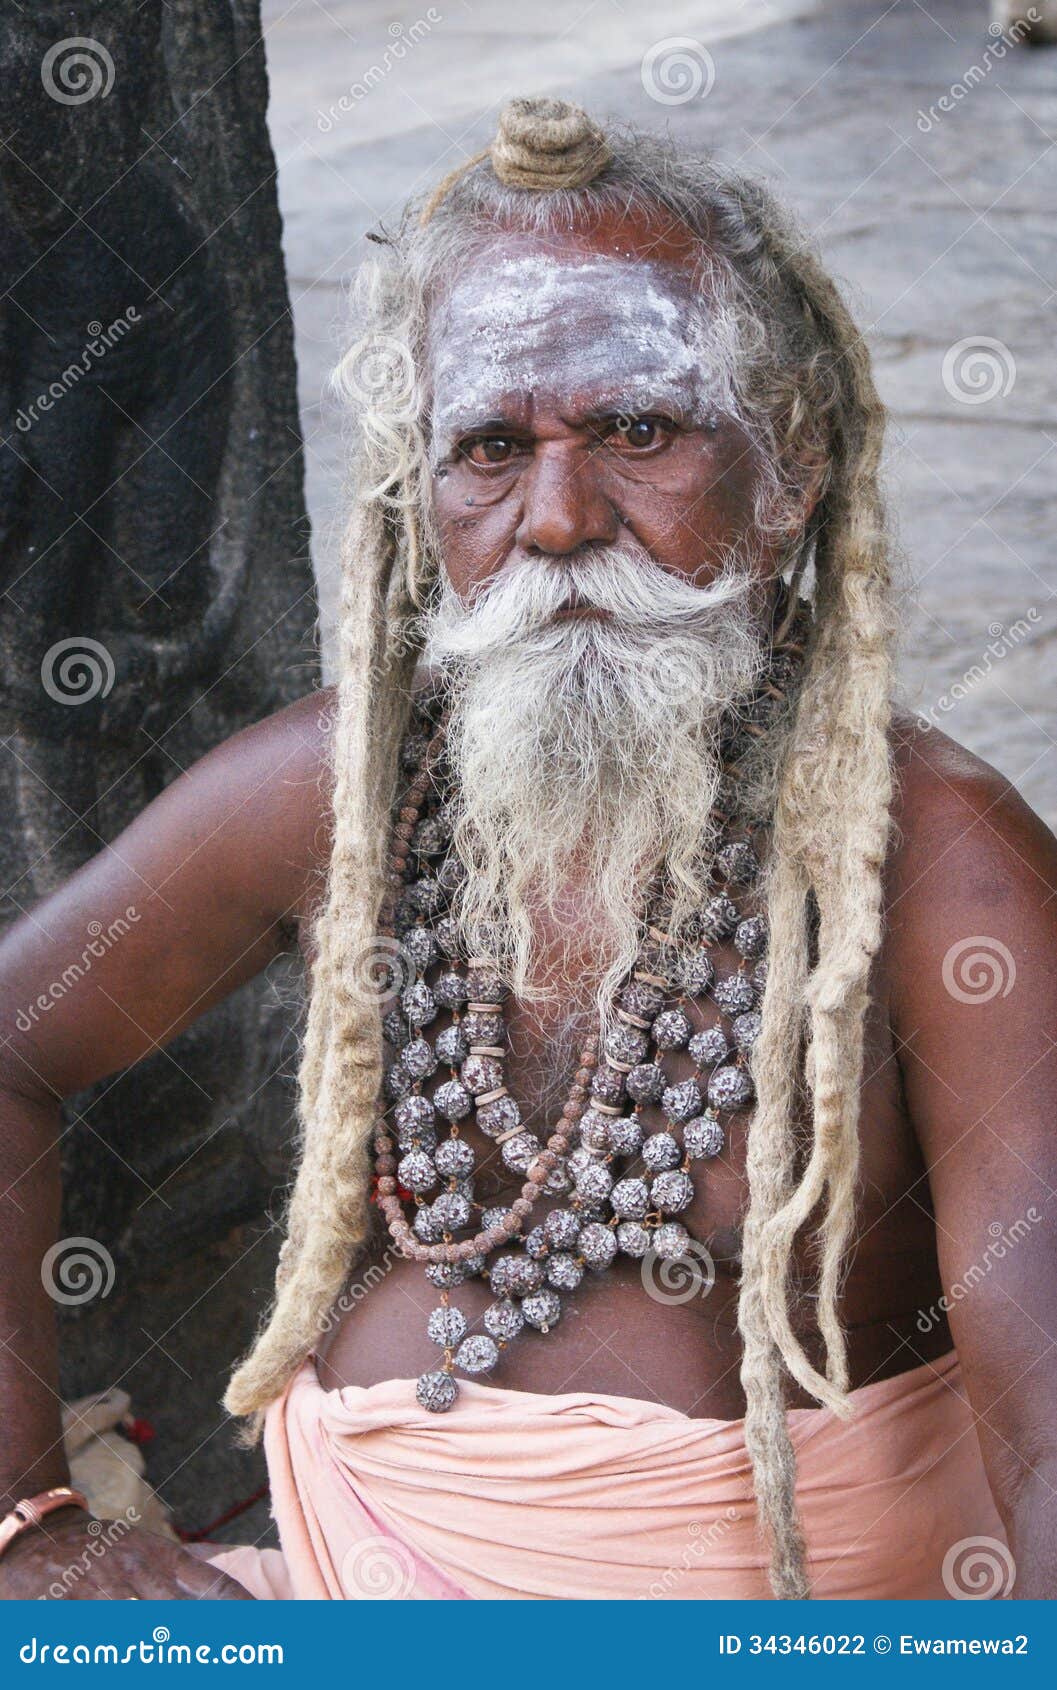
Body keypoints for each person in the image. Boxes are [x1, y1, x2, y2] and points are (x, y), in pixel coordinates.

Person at [1, 96, 1055, 1602]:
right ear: (423, 500)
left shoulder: (951, 873)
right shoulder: (345, 791)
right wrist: (31, 1527)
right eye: (490, 447)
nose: (557, 519)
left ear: (792, 464)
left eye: (639, 431)